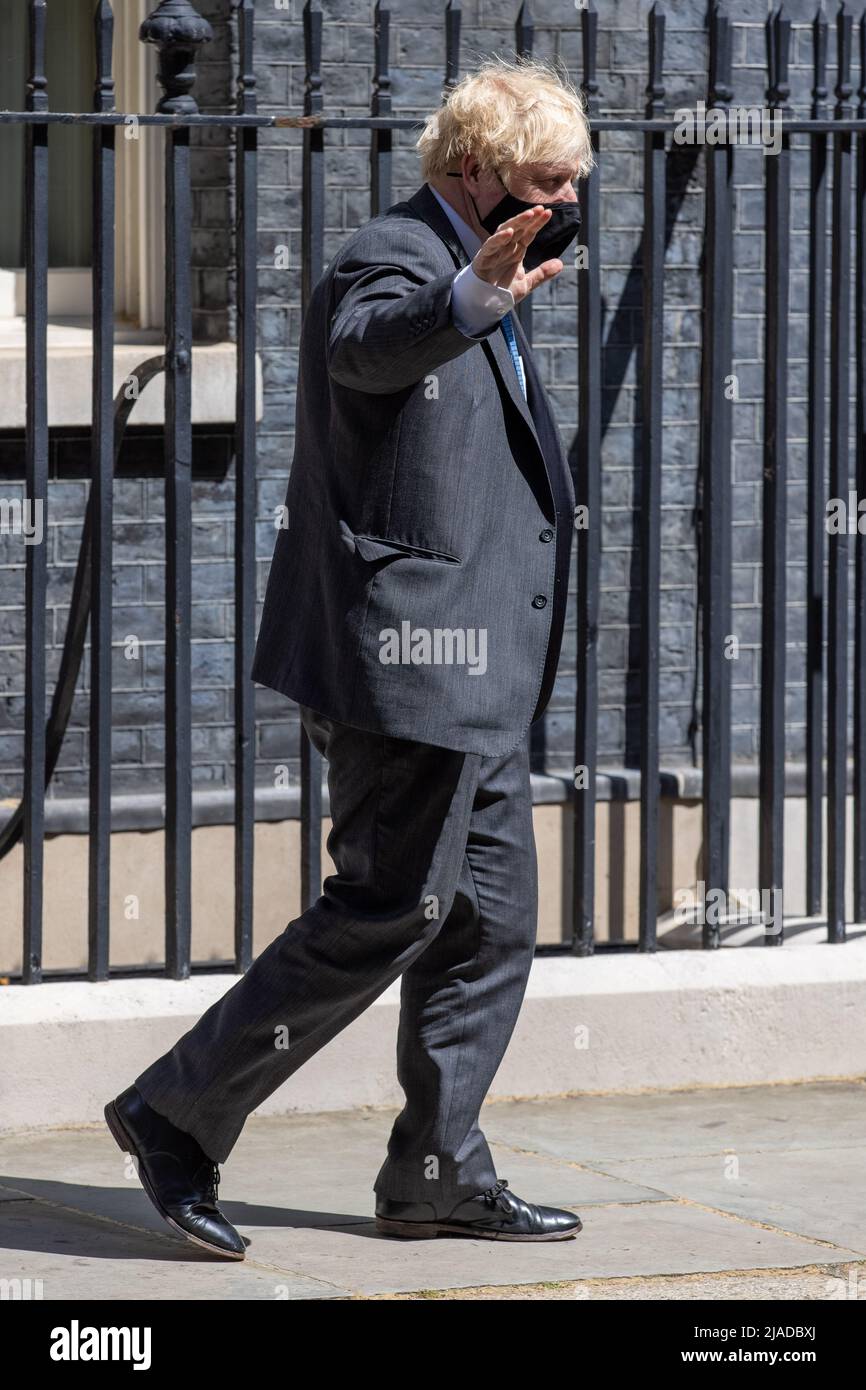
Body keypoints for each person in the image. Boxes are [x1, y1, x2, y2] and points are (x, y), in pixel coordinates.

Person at [105, 55, 594, 1258]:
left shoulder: (488, 264)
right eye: (546, 182)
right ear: (477, 175)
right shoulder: (396, 257)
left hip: (481, 670)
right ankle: (174, 1112)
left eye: (578, 183)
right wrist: (468, 301)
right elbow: (364, 350)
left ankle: (436, 1170)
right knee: (390, 906)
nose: (568, 206)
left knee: (486, 925)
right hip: (410, 665)